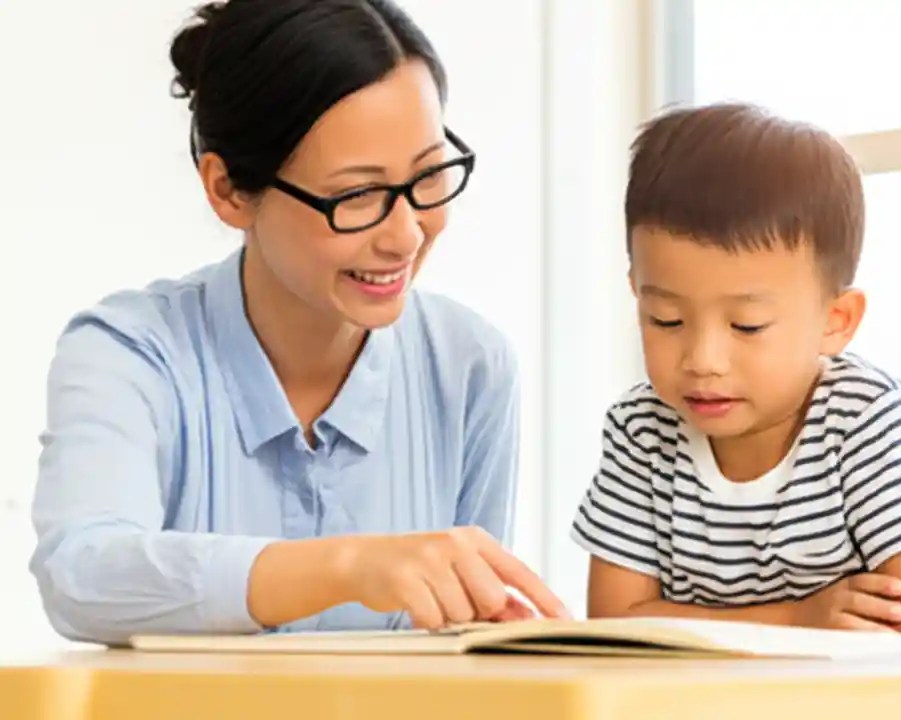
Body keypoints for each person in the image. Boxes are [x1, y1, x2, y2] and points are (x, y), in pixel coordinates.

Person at [29, 0, 567, 645]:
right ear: (227, 190)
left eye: (427, 177)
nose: (406, 235)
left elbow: (461, 644)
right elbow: (85, 575)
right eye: (355, 194)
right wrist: (349, 565)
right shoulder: (130, 353)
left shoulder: (470, 366)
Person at [571, 104, 901, 637]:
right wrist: (797, 620)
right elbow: (613, 626)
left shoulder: (867, 422)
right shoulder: (641, 430)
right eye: (665, 319)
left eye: (747, 326)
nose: (702, 360)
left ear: (836, 321)